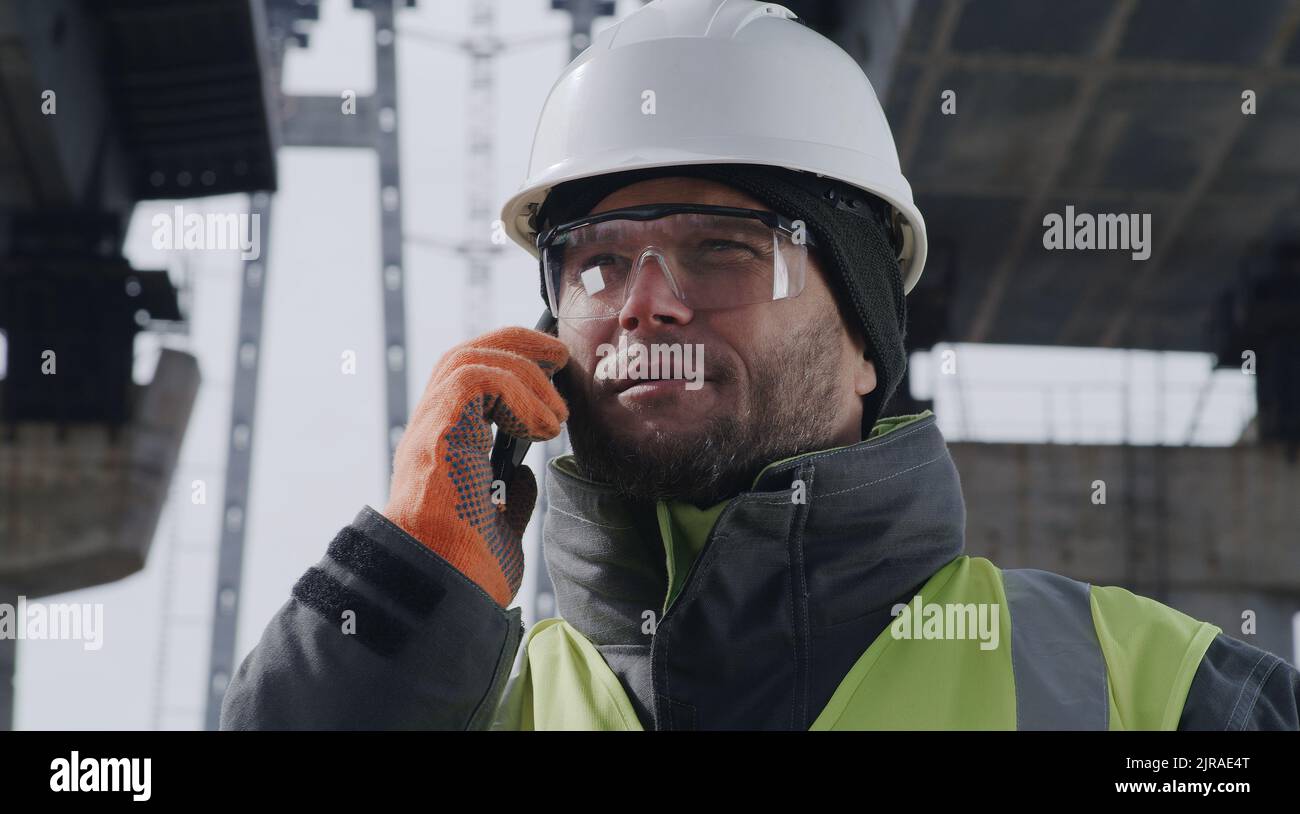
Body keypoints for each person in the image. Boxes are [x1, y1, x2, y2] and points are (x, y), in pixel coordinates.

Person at [220, 0, 1299, 730]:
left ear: (866, 341)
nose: (645, 299)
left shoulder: (1144, 694)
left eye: (722, 250)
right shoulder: (462, 703)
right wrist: (402, 594)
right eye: (595, 263)